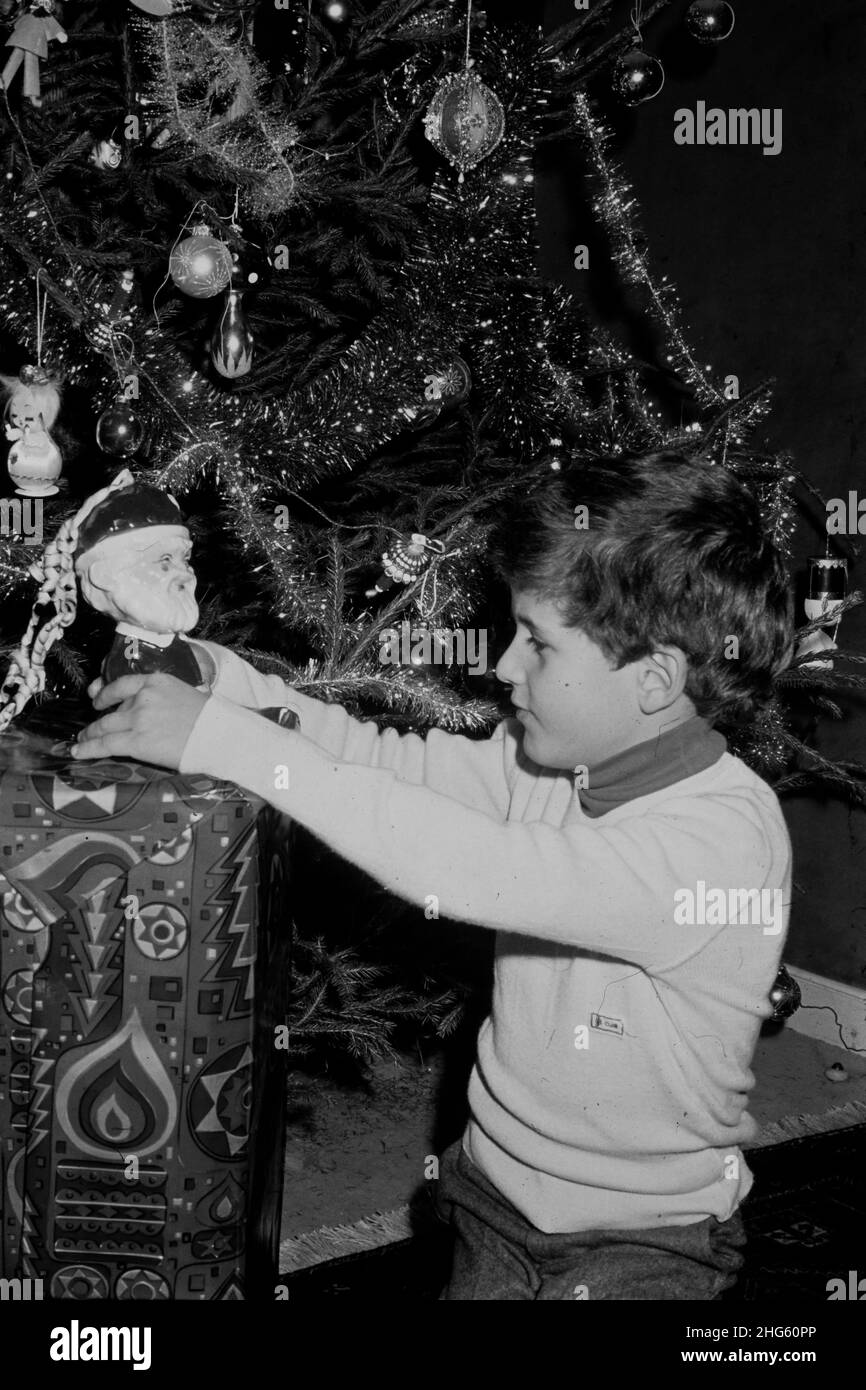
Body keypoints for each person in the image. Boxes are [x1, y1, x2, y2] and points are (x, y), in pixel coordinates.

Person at [71, 450, 795, 1301]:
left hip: (644, 1241)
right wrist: (219, 686)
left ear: (655, 680)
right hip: (492, 1197)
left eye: (538, 642)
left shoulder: (719, 844)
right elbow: (379, 760)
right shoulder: (555, 768)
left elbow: (475, 868)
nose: (503, 669)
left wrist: (230, 747)